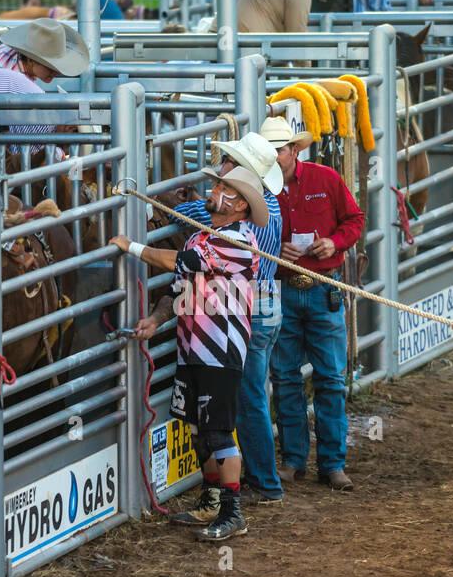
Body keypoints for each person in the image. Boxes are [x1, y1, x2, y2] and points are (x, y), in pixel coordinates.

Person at [114, 166, 271, 542]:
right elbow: (179, 286)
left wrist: (131, 246)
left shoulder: (236, 241)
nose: (214, 190)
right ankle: (213, 500)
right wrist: (155, 319)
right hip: (193, 350)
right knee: (200, 429)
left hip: (220, 352)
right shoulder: (205, 238)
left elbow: (175, 262)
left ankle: (233, 513)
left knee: (218, 431)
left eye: (223, 187)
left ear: (240, 207)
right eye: (218, 184)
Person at [166, 130, 287, 511]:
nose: (220, 170)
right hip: (252, 307)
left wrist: (167, 205)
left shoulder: (233, 219)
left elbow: (181, 213)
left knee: (238, 404)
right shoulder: (268, 209)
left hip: (230, 319)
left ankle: (256, 487)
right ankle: (247, 485)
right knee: (247, 400)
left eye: (227, 166)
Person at [271, 117, 366, 492]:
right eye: (269, 151)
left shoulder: (325, 179)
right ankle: (296, 460)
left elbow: (354, 220)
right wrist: (272, 250)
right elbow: (245, 237)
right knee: (285, 377)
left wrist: (335, 242)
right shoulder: (259, 187)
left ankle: (331, 462)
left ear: (294, 150)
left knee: (328, 378)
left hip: (321, 288)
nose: (274, 157)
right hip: (282, 289)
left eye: (278, 150)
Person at [0, 19, 89, 138]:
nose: (56, 72)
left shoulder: (7, 52)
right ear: (30, 60)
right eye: (50, 66)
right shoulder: (22, 88)